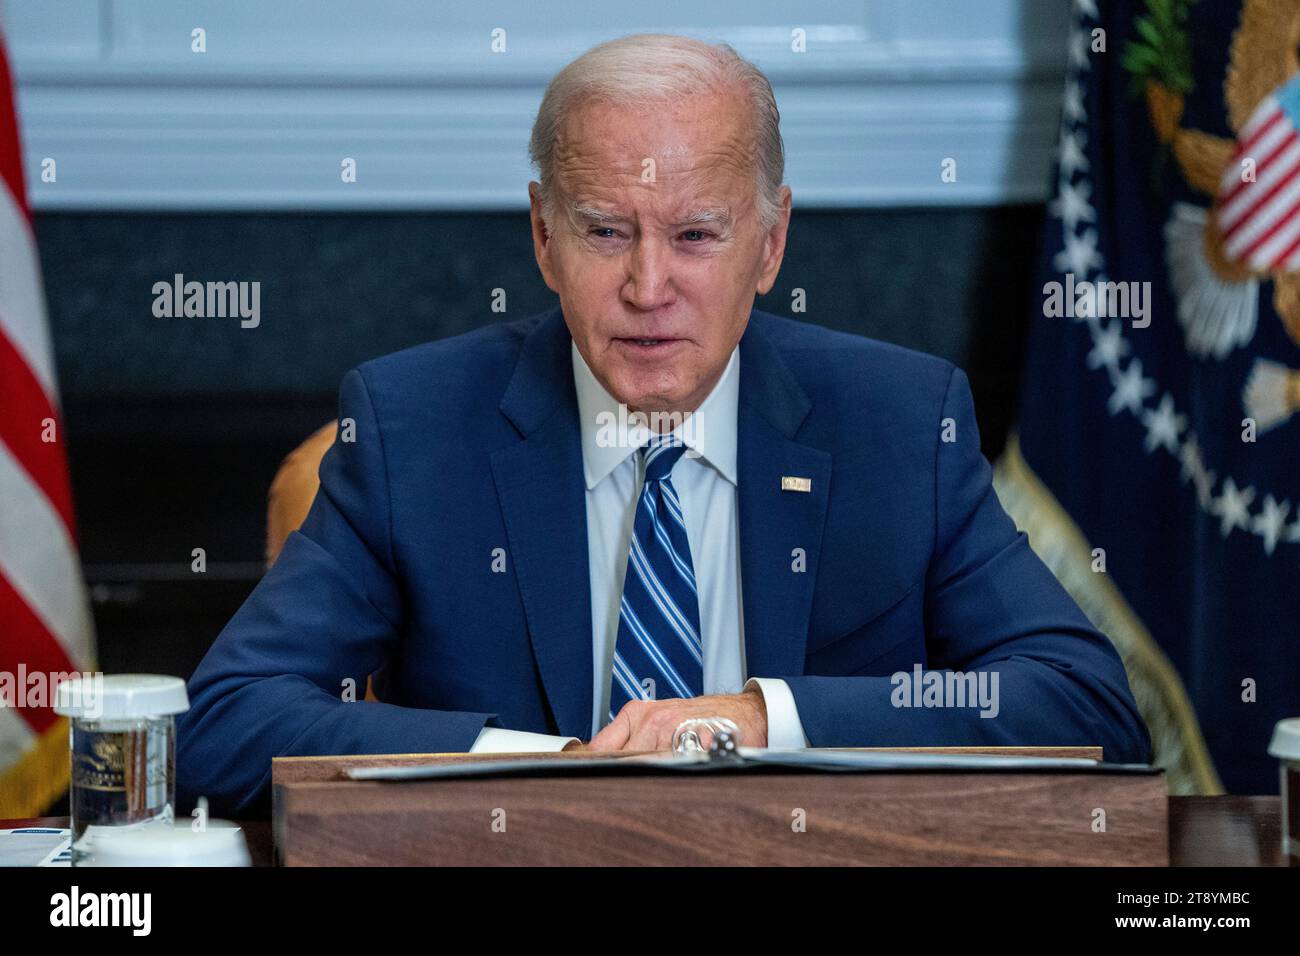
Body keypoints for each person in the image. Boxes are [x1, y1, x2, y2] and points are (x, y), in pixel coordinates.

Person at [177, 34, 1150, 816]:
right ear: (543, 237)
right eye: (606, 230)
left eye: (695, 234)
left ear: (769, 243)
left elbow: (1085, 700)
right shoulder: (414, 427)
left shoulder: (897, 424)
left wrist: (755, 719)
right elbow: (225, 718)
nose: (648, 288)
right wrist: (536, 767)